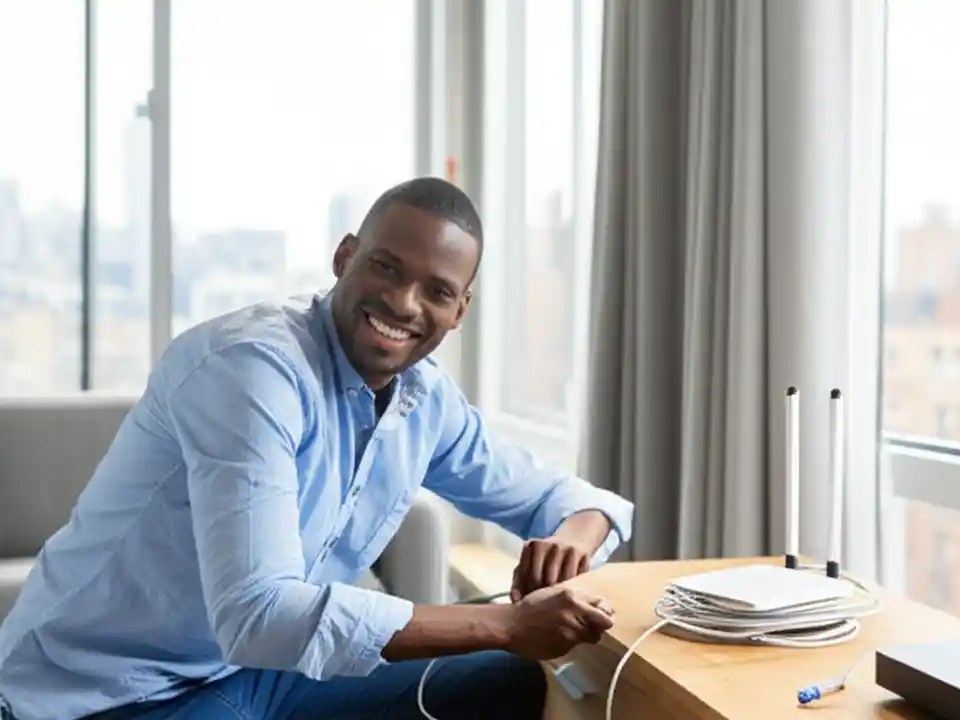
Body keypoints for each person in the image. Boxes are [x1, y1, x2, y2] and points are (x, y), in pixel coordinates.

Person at [0, 177, 634, 720]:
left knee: (506, 683)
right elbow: (260, 614)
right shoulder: (253, 370)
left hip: (251, 674)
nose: (404, 303)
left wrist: (567, 545)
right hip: (103, 693)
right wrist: (505, 626)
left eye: (437, 290)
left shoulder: (422, 399)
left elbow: (574, 499)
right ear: (345, 257)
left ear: (460, 309)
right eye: (387, 267)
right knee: (501, 652)